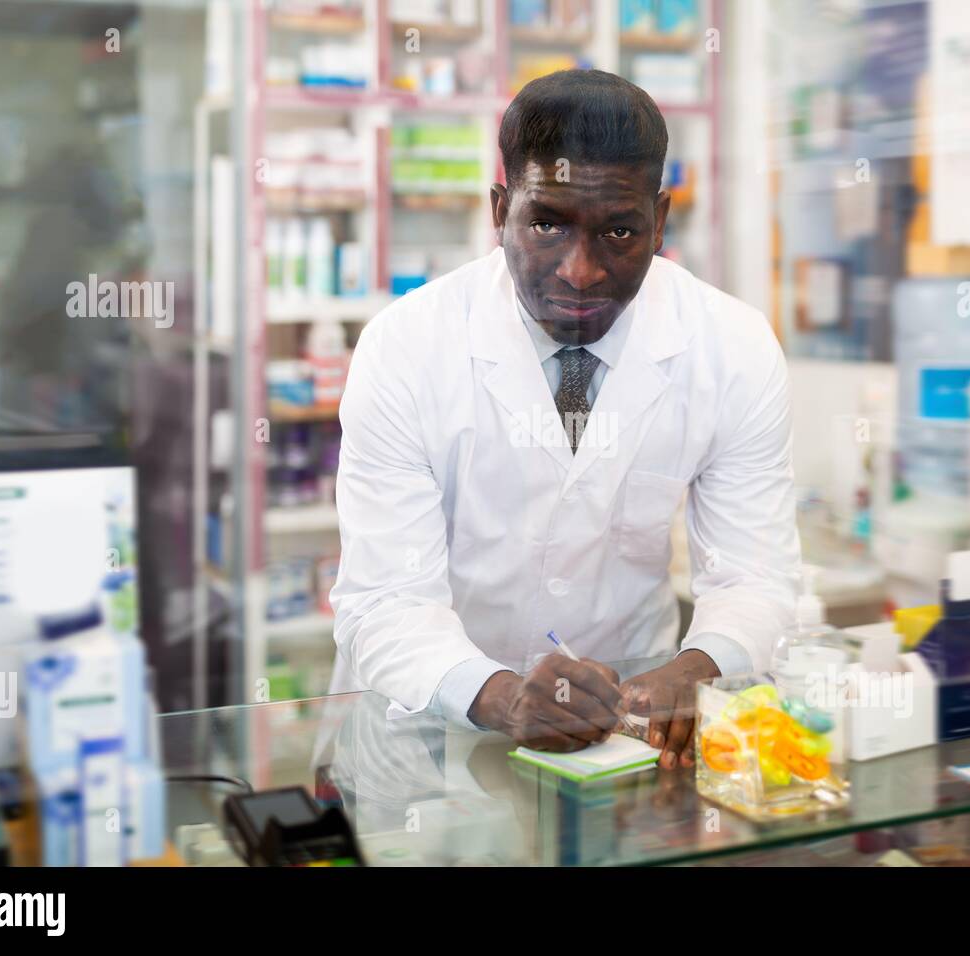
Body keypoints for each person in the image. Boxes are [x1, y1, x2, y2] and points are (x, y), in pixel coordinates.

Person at [330, 69, 799, 770]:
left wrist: (693, 669)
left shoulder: (731, 346)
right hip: (434, 721)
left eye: (618, 231)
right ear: (500, 209)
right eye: (547, 223)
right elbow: (384, 599)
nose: (580, 271)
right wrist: (500, 695)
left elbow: (753, 578)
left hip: (631, 730)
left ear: (661, 221)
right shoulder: (406, 346)